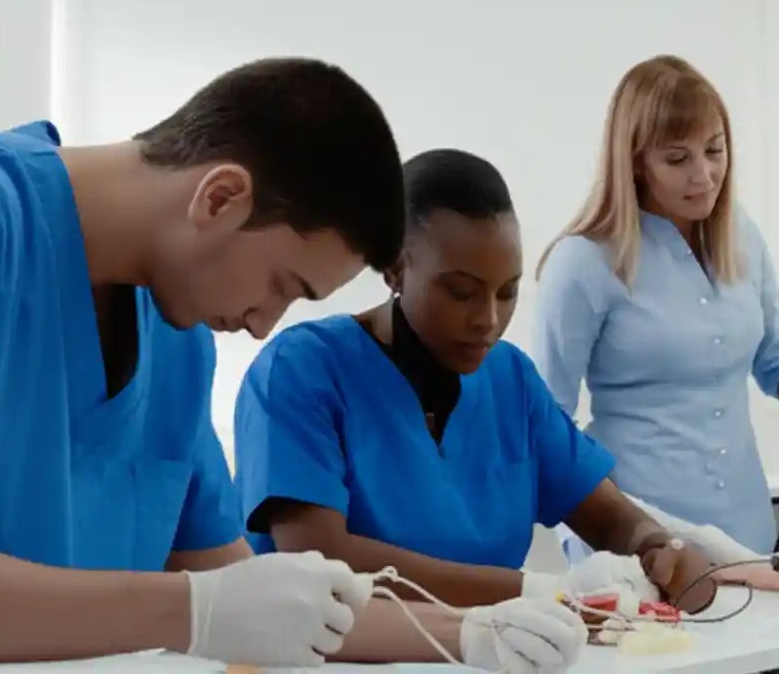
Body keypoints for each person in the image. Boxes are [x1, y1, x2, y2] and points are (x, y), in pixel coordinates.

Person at [0, 58, 584, 673]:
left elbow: (261, 599)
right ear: (220, 196)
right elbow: (212, 603)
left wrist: (470, 632)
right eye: (283, 286)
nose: (264, 325)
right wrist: (191, 612)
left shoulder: (178, 341)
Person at [233, 147, 719, 616]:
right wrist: (533, 592)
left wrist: (654, 544)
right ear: (395, 268)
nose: (488, 319)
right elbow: (319, 559)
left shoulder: (510, 379)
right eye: (461, 292)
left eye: (507, 293)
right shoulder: (302, 370)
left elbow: (607, 515)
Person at [532, 54, 779, 558]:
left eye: (714, 150)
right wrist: (602, 523)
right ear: (635, 161)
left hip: (742, 521)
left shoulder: (742, 238)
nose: (705, 175)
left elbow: (776, 365)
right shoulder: (583, 261)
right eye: (677, 159)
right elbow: (546, 421)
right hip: (636, 527)